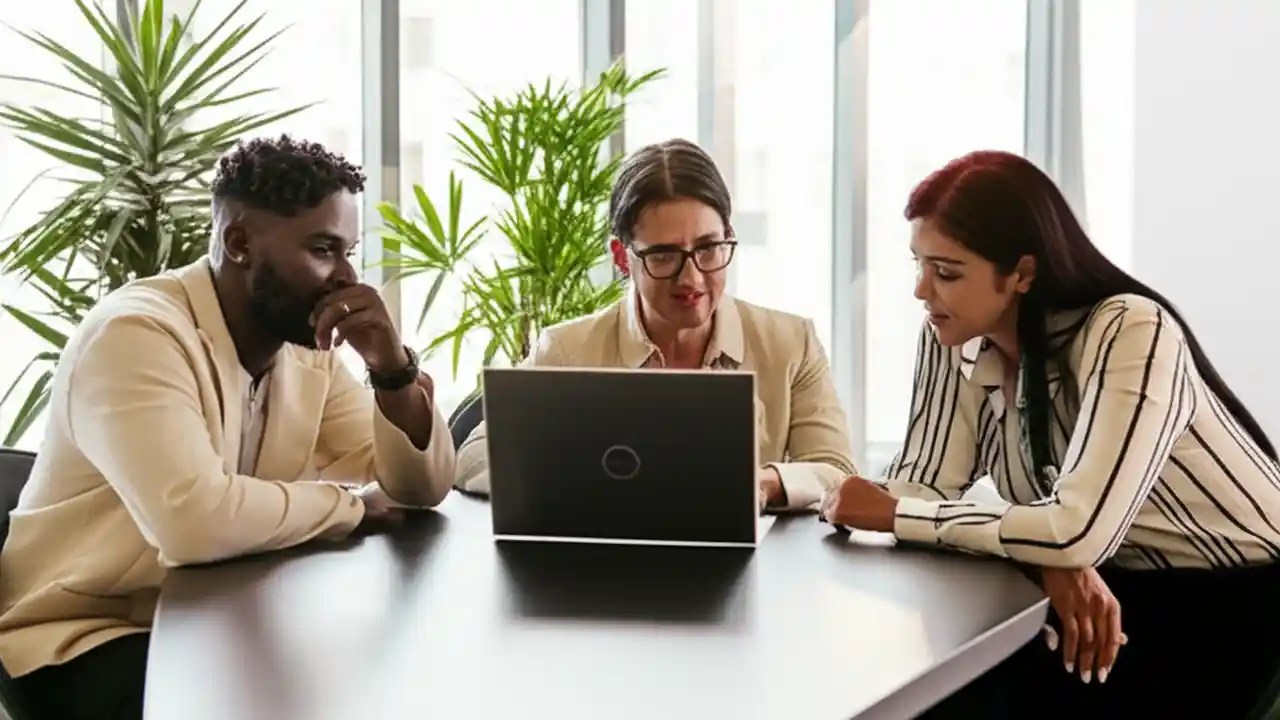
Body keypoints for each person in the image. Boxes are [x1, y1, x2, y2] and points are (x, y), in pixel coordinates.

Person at [0, 135, 455, 720]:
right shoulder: (136, 334)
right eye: (323, 249)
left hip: (220, 612)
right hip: (88, 635)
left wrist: (392, 370)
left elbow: (417, 489)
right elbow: (193, 520)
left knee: (379, 685)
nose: (345, 276)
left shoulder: (304, 344)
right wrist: (346, 506)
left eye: (349, 252)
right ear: (239, 243)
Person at [821, 150, 1280, 717]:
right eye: (918, 264)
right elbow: (924, 489)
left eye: (946, 272)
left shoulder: (1130, 329)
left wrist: (1051, 551)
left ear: (1023, 274)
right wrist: (1046, 560)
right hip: (1111, 577)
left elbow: (1073, 528)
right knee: (944, 691)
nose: (922, 291)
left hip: (1237, 597)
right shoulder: (953, 333)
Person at [455, 138, 856, 510]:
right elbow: (474, 455)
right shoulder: (565, 349)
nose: (692, 278)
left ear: (728, 236)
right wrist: (581, 482)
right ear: (621, 257)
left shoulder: (790, 343)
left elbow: (835, 469)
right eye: (664, 256)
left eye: (708, 248)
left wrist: (762, 483)